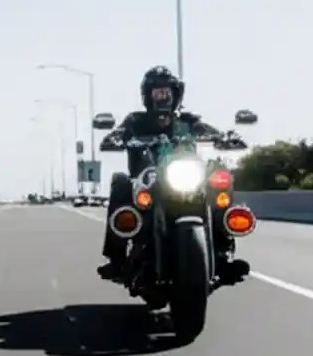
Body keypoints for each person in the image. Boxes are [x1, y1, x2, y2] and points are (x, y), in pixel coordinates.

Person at [96, 66, 248, 282]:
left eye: (167, 92)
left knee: (220, 176)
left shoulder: (187, 121)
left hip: (184, 176)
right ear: (147, 96)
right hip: (147, 178)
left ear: (176, 94)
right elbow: (121, 132)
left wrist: (225, 137)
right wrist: (115, 138)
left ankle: (223, 250)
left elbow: (207, 131)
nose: (163, 97)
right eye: (157, 93)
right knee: (120, 183)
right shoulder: (135, 121)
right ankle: (117, 257)